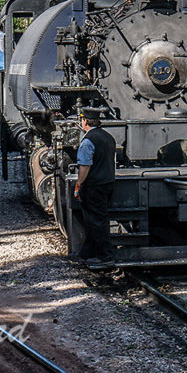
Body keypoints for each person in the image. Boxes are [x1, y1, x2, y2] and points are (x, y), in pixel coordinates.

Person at [73, 108, 116, 269]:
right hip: (108, 182)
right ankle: (87, 253)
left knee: (96, 221)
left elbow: (85, 166)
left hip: (94, 186)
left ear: (85, 121)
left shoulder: (88, 141)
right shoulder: (108, 137)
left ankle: (105, 256)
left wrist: (78, 185)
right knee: (95, 219)